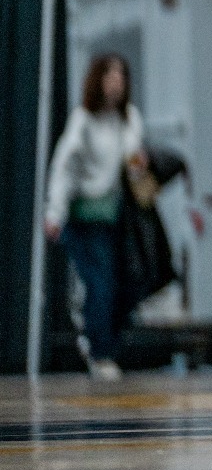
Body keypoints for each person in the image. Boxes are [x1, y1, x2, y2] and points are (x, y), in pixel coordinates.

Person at [44, 53, 146, 381]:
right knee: (100, 283)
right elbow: (65, 167)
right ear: (98, 80)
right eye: (110, 76)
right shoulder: (83, 120)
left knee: (126, 282)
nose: (116, 83)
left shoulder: (129, 118)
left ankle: (103, 342)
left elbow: (132, 163)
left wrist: (139, 165)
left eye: (121, 76)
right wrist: (55, 211)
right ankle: (99, 349)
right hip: (84, 217)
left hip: (113, 216)